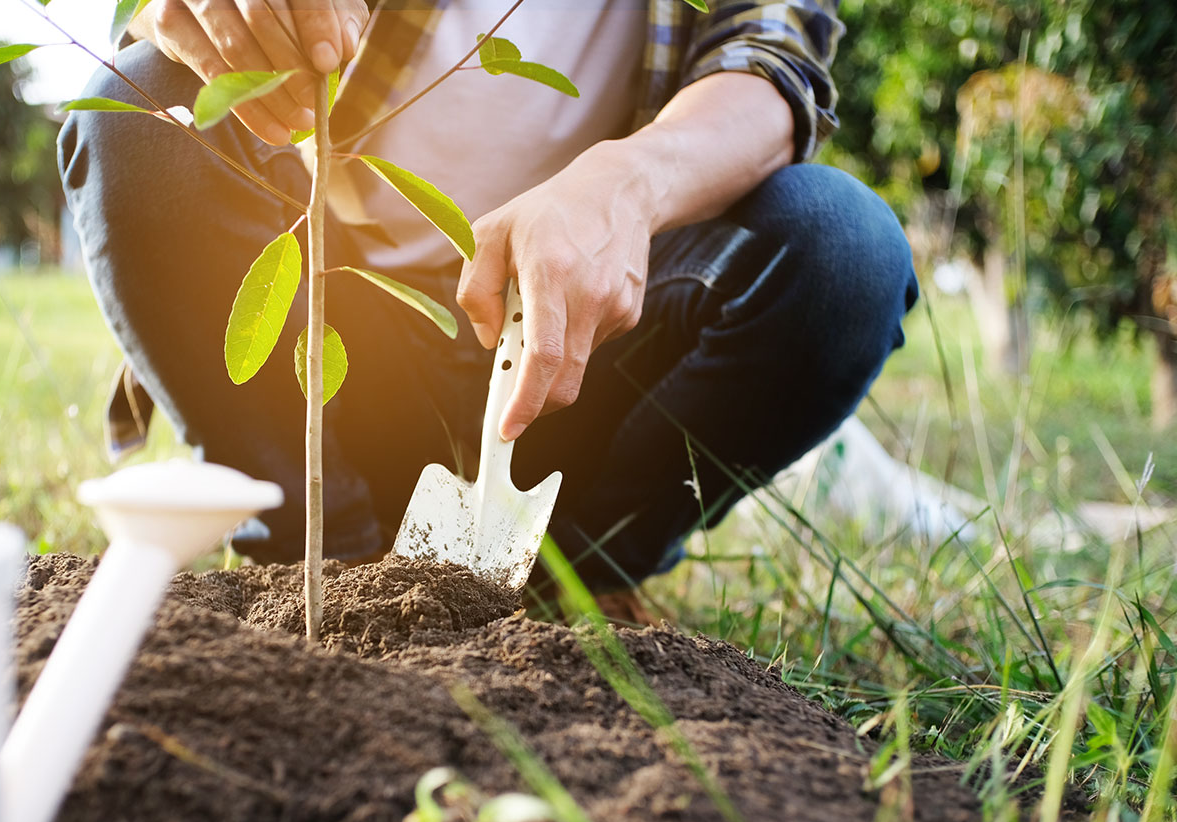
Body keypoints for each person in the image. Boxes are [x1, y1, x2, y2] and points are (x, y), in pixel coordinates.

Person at [58, 0, 918, 595]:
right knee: (133, 104)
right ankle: (319, 566)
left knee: (844, 249)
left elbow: (771, 64)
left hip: (585, 355)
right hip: (344, 358)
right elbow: (154, 30)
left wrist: (625, 183)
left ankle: (572, 589)